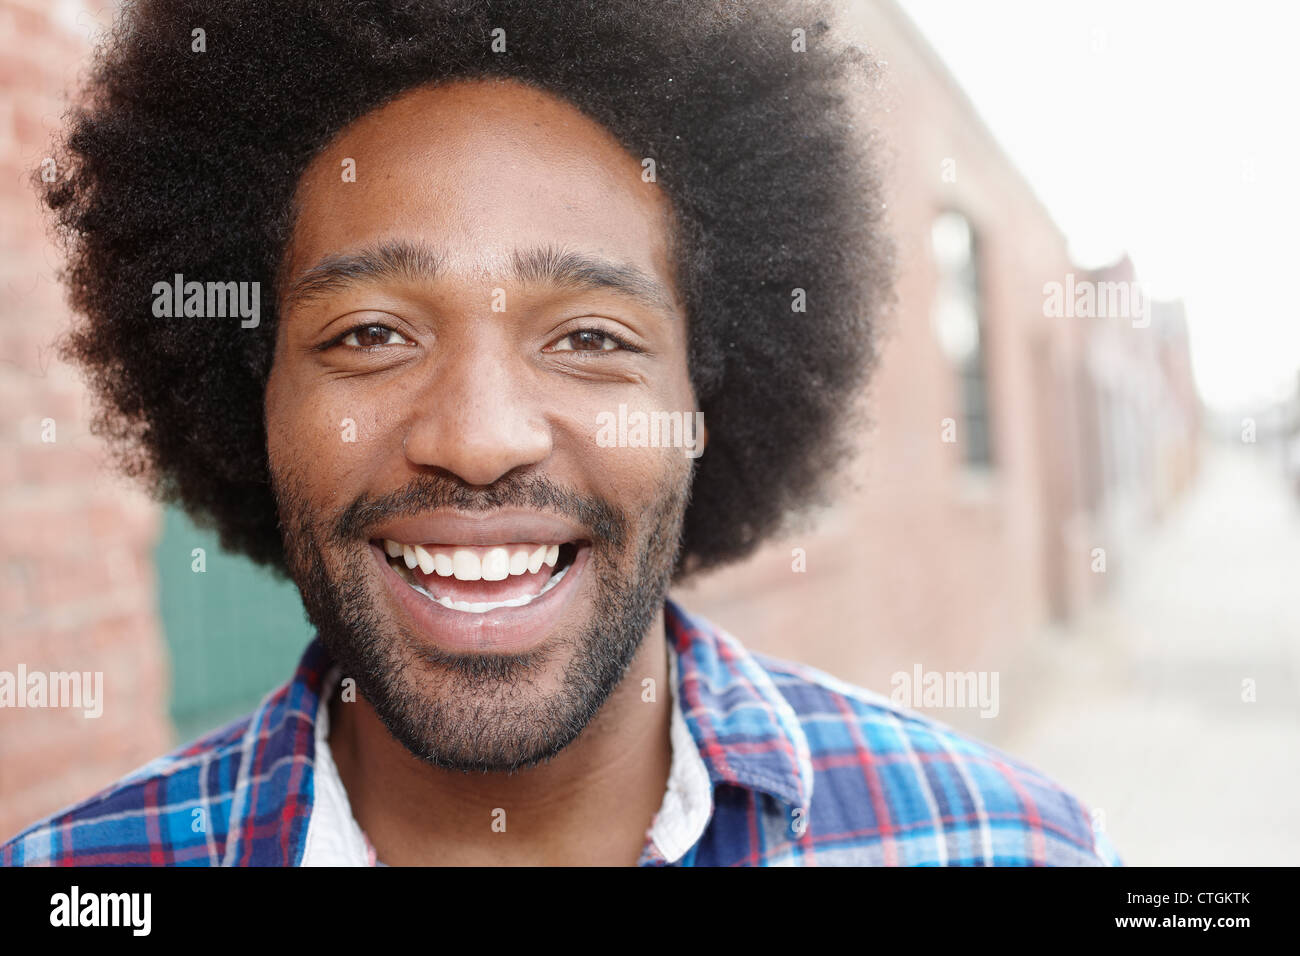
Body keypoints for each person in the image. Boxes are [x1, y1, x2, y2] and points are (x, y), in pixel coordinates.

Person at [1, 0, 1118, 866]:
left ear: (705, 392)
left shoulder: (1002, 845)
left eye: (589, 337)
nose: (480, 438)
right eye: (371, 331)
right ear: (251, 392)